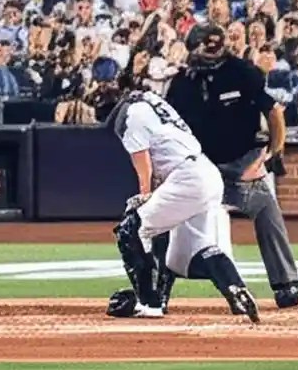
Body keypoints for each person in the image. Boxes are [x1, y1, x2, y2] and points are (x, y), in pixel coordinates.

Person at [165, 23, 298, 309]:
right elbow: (169, 132)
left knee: (267, 208)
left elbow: (273, 111)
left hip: (242, 166)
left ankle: (286, 284)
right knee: (165, 215)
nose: (212, 50)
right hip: (201, 170)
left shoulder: (242, 72)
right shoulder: (181, 84)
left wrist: (274, 154)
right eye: (206, 44)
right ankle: (157, 286)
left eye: (216, 43)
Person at [105, 89, 259, 322]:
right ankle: (235, 288)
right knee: (195, 251)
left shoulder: (129, 115)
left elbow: (144, 167)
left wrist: (144, 195)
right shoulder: (151, 104)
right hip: (205, 174)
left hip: (186, 178)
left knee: (131, 229)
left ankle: (150, 303)